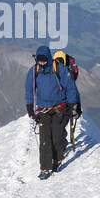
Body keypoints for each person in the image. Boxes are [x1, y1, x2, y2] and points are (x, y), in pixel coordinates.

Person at [25, 44, 80, 179]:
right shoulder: (34, 71)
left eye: (44, 60)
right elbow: (29, 90)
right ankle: (44, 168)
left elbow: (70, 87)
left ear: (49, 58)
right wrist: (30, 108)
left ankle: (57, 160)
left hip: (59, 108)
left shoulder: (59, 69)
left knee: (56, 137)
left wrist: (73, 104)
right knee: (44, 140)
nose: (42, 63)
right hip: (43, 110)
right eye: (39, 60)